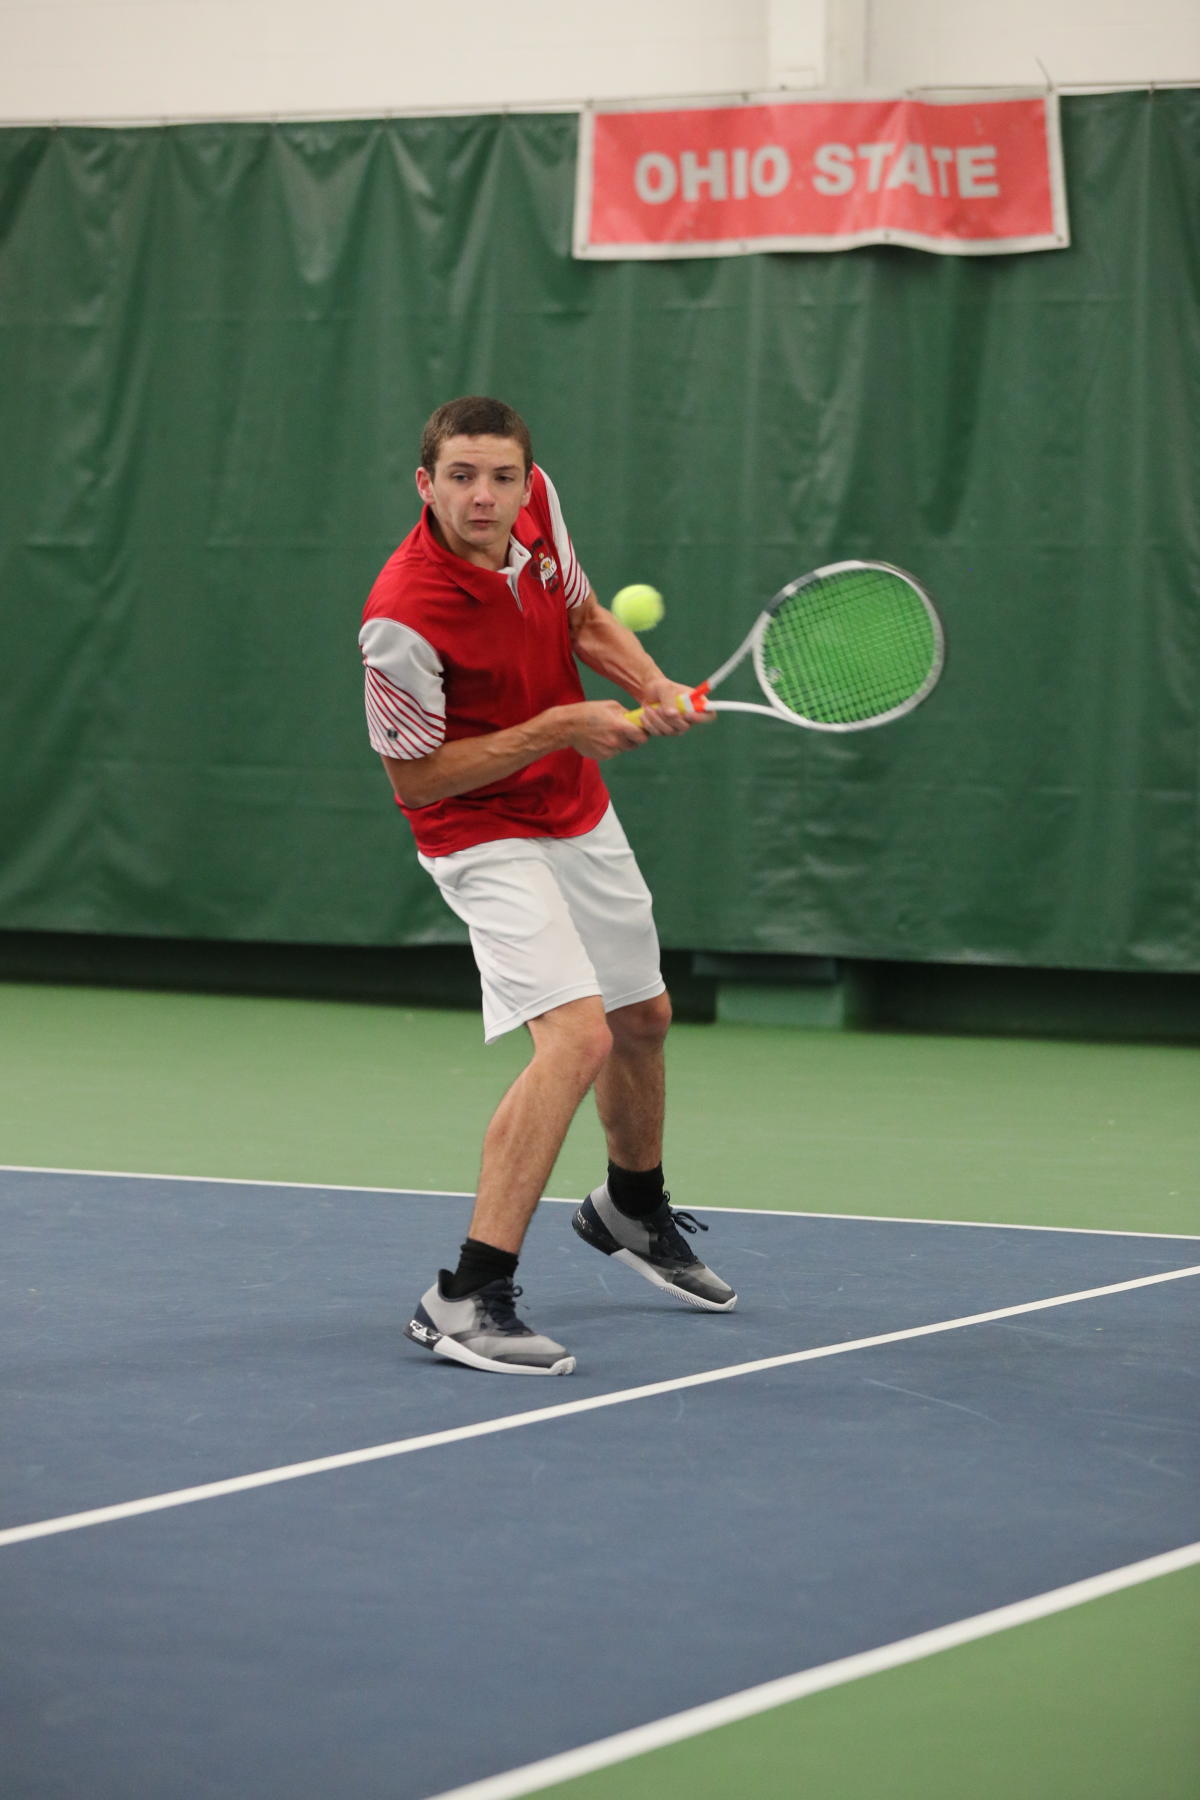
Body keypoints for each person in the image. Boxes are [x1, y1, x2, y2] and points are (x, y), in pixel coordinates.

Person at [359, 395, 736, 1376]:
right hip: (477, 831)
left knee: (642, 1016)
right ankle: (465, 1294)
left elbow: (581, 617)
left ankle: (631, 1208)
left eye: (502, 477)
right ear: (426, 484)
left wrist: (651, 685)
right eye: (461, 478)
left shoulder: (539, 510)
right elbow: (417, 780)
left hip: (571, 805)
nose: (484, 498)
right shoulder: (401, 618)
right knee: (577, 1037)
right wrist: (566, 724)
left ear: (527, 480)